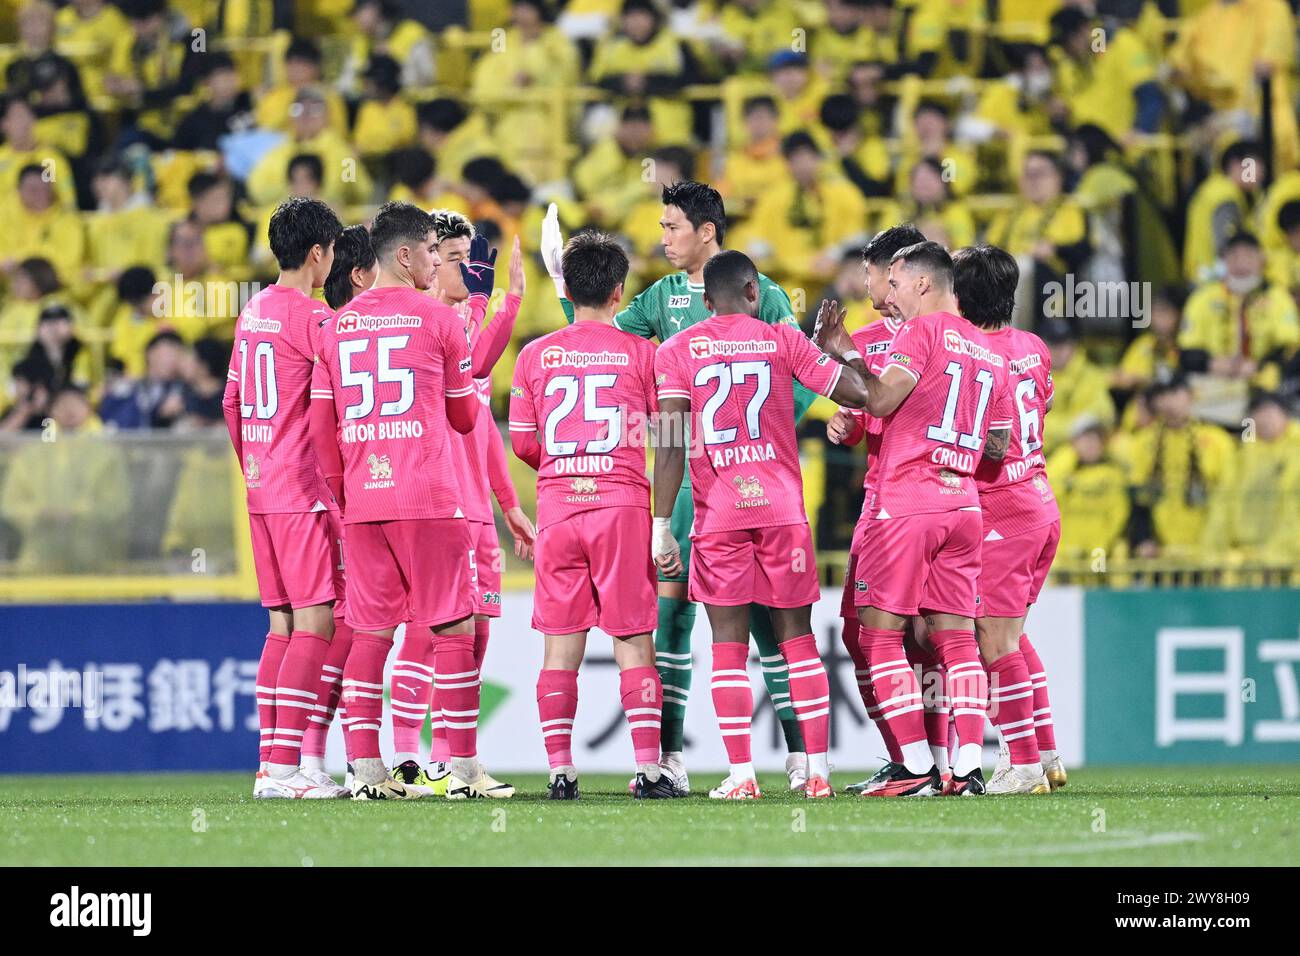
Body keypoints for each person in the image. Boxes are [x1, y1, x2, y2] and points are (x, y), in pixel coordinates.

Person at [541, 183, 817, 793]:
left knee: (770, 617)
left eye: (672, 227)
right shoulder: (659, 299)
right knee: (671, 617)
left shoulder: (763, 295)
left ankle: (798, 757)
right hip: (682, 485)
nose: (663, 237)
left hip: (747, 477)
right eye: (662, 226)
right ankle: (669, 756)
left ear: (707, 231)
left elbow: (797, 378)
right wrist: (564, 285)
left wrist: (759, 442)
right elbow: (600, 338)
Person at [652, 250, 871, 799]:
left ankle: (743, 776)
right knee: (798, 641)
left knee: (726, 645)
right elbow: (858, 394)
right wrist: (837, 349)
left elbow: (671, 446)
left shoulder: (678, 350)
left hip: (719, 512)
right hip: (782, 511)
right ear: (754, 292)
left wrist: (660, 525)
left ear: (706, 302)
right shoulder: (782, 338)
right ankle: (817, 771)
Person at [309, 201, 498, 800]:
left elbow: (320, 429)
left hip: (365, 501)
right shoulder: (439, 320)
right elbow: (465, 416)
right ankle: (463, 772)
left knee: (370, 634)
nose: (440, 266)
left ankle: (366, 773)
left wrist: (347, 494)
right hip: (429, 494)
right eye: (431, 253)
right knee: (454, 627)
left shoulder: (333, 326)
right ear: (407, 254)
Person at [814, 241, 1013, 796]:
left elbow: (877, 401)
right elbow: (998, 445)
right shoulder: (990, 349)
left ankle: (915, 767)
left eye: (895, 284)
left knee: (877, 637)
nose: (890, 295)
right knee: (957, 641)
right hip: (963, 505)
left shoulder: (920, 334)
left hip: (906, 504)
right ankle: (967, 768)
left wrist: (843, 350)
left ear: (924, 284)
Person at [509, 230, 680, 800]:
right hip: (622, 506)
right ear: (618, 290)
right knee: (633, 639)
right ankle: (650, 770)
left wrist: (565, 462)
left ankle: (561, 771)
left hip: (558, 508)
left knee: (560, 645)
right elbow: (669, 432)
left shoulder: (533, 355)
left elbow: (523, 445)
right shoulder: (643, 354)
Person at [386, 208, 530, 798]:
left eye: (472, 259)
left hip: (475, 507)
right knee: (429, 630)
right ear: (425, 265)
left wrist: (508, 503)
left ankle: (454, 763)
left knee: (474, 639)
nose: (467, 271)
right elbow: (481, 359)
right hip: (434, 500)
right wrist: (507, 304)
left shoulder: (464, 325)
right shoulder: (430, 327)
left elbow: (485, 428)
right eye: (453, 259)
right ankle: (406, 761)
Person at [221, 196, 348, 800]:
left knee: (281, 624)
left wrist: (254, 464)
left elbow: (231, 403)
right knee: (317, 619)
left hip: (260, 488)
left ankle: (269, 765)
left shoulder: (253, 312)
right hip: (302, 490)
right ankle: (283, 769)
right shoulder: (313, 318)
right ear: (319, 254)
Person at [823, 223, 932, 794]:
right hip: (888, 497)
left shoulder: (932, 334)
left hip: (905, 502)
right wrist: (847, 423)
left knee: (910, 633)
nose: (866, 281)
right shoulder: (865, 339)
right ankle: (920, 757)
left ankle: (925, 761)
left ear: (895, 277)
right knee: (859, 631)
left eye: (871, 271)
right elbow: (860, 416)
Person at [957, 245, 1061, 795]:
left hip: (1002, 509)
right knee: (1014, 637)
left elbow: (992, 447)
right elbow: (1042, 409)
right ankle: (1044, 750)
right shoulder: (1033, 346)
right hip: (1041, 504)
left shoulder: (973, 353)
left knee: (993, 642)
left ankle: (1020, 764)